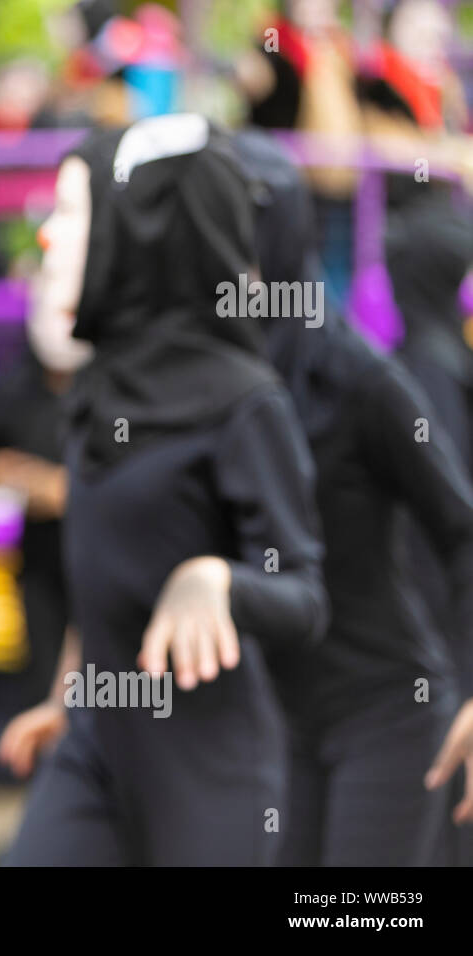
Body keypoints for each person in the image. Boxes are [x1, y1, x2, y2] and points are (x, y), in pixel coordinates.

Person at [4, 114, 328, 866]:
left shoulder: (246, 402)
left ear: (141, 232)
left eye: (72, 213)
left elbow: (306, 596)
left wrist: (214, 578)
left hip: (209, 774)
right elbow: (103, 567)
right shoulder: (94, 389)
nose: (47, 237)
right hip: (94, 749)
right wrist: (68, 696)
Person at [237, 129, 473, 865]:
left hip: (388, 715)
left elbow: (462, 530)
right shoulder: (210, 388)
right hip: (281, 723)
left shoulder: (362, 380)